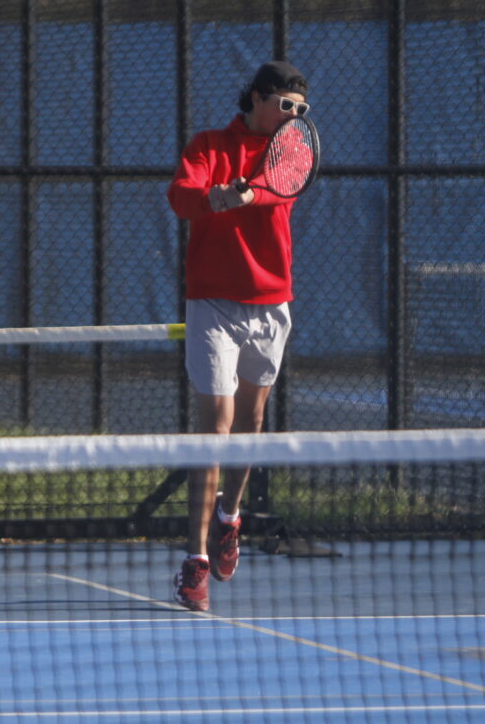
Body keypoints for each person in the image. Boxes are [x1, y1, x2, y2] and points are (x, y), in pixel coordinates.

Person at [166, 61, 310, 612]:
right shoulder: (209, 144)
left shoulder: (292, 149)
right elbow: (181, 194)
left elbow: (278, 192)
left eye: (301, 110)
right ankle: (196, 561)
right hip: (212, 303)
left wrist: (243, 196)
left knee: (250, 422)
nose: (293, 116)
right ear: (257, 98)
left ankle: (230, 517)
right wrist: (211, 199)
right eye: (285, 105)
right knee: (217, 425)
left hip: (271, 303)